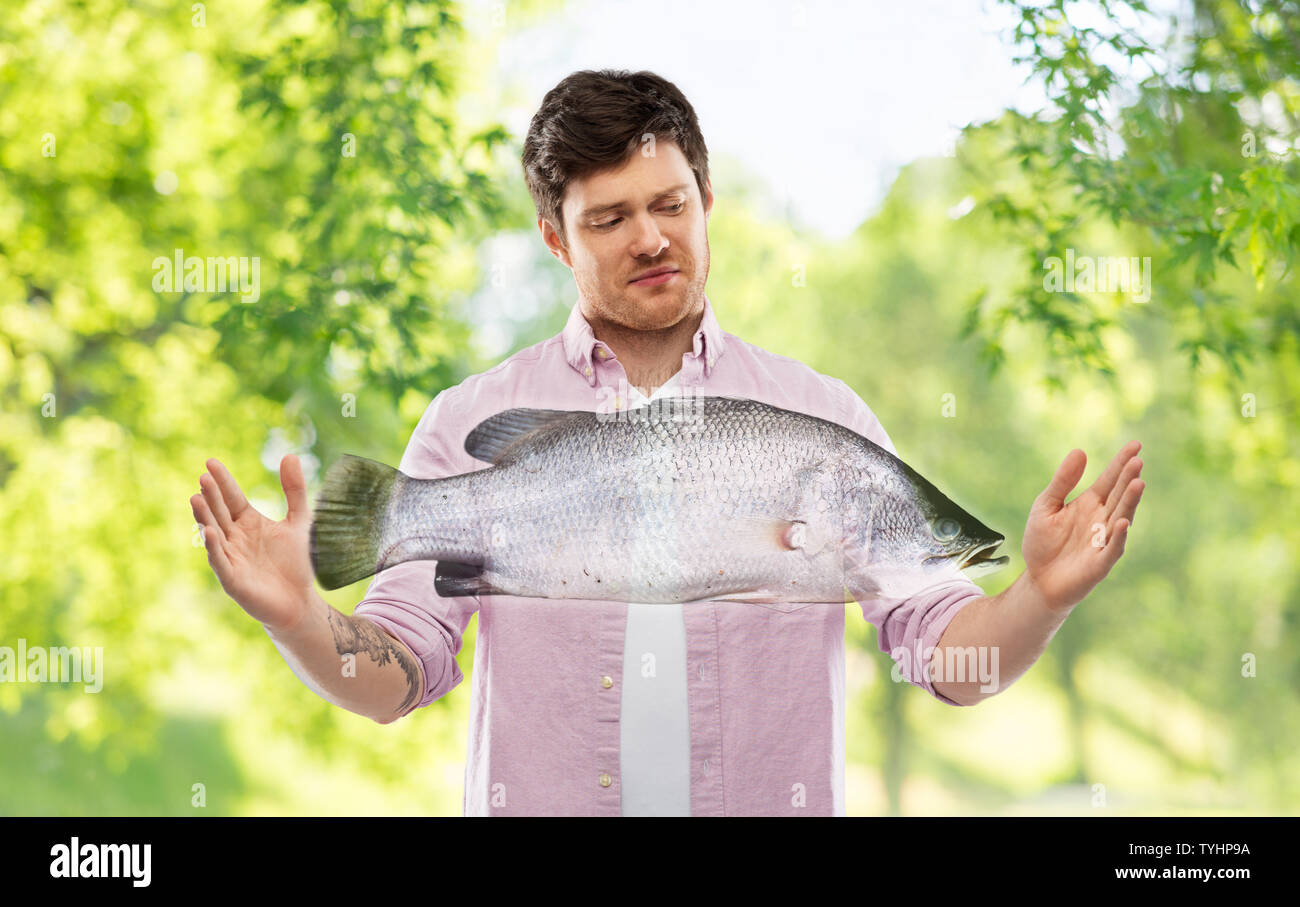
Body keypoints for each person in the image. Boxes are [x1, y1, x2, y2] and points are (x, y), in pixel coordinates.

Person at [189, 69, 1145, 816]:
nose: (651, 238)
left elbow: (947, 658)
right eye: (609, 218)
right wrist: (295, 615)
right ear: (556, 239)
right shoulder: (465, 418)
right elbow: (397, 676)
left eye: (671, 204)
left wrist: (1042, 595)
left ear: (707, 198)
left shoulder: (825, 419)